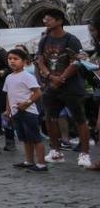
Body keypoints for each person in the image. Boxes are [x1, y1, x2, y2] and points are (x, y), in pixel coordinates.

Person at [35, 9, 92, 168]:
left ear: (59, 21)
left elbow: (76, 61)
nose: (46, 21)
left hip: (71, 86)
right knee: (50, 118)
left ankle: (85, 153)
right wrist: (49, 76)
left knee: (79, 118)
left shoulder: (71, 39)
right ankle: (56, 151)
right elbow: (40, 60)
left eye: (49, 19)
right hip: (51, 85)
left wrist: (62, 78)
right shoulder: (44, 40)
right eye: (45, 19)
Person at [3, 48, 48, 173]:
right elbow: (9, 94)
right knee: (24, 138)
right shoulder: (9, 77)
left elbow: (38, 92)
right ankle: (29, 161)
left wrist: (26, 103)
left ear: (24, 62)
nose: (12, 61)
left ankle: (42, 163)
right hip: (16, 112)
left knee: (35, 138)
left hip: (29, 112)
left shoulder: (27, 76)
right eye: (10, 58)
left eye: (16, 59)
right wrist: (8, 110)